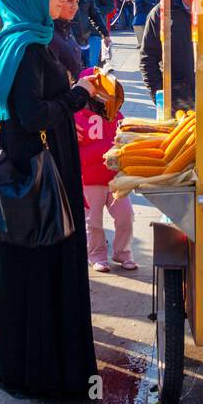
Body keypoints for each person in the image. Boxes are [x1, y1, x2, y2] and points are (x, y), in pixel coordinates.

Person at [0, 0, 103, 398]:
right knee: (44, 257)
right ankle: (45, 367)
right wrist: (80, 94)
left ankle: (36, 360)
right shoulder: (27, 48)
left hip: (40, 164)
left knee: (35, 264)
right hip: (41, 173)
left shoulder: (25, 39)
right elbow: (31, 115)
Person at [75, 68, 137, 273]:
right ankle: (97, 255)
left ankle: (122, 252)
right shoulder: (76, 117)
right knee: (93, 223)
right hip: (90, 179)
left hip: (115, 178)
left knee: (125, 216)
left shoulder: (116, 114)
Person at [65, 0, 108, 71]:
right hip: (68, 39)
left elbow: (94, 13)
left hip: (85, 39)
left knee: (87, 72)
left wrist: (105, 33)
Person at [50, 0, 83, 80]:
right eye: (70, 1)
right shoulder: (47, 34)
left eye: (77, 2)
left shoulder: (66, 29)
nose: (75, 7)